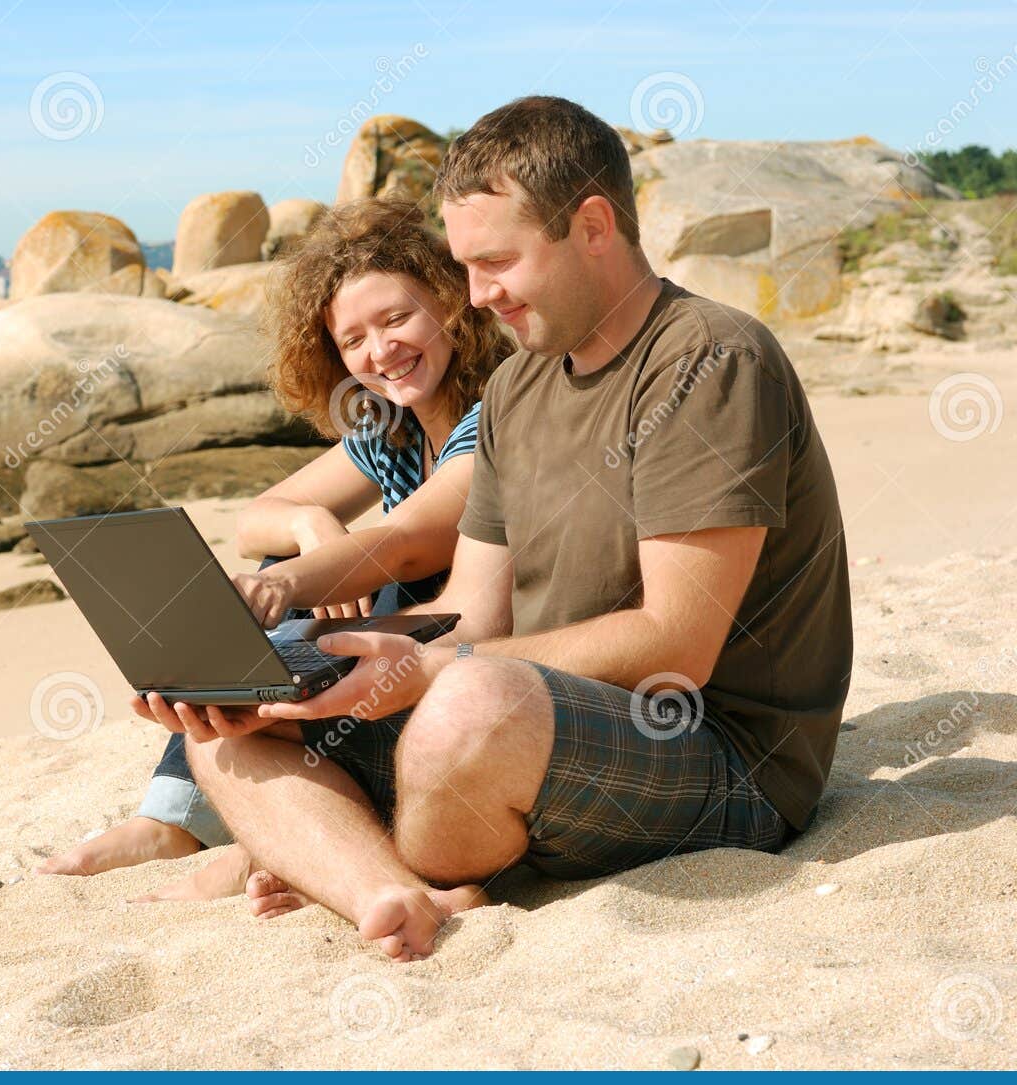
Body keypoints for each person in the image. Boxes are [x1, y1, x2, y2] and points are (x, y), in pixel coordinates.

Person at [134, 95, 854, 961]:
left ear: (594, 226)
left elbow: (678, 643)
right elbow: (473, 613)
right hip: (536, 715)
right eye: (467, 267)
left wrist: (441, 669)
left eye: (497, 262)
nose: (476, 295)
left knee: (467, 702)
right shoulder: (517, 388)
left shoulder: (707, 359)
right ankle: (388, 891)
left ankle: (333, 853)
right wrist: (301, 668)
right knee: (233, 728)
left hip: (716, 751)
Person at [37, 197, 516, 893]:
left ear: (447, 305)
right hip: (407, 640)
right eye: (353, 339)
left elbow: (411, 540)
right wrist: (309, 526)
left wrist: (286, 583)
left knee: (287, 582)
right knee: (280, 562)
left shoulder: (494, 411)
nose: (380, 351)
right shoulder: (393, 426)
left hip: (470, 648)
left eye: (396, 319)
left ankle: (235, 831)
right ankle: (179, 816)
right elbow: (255, 520)